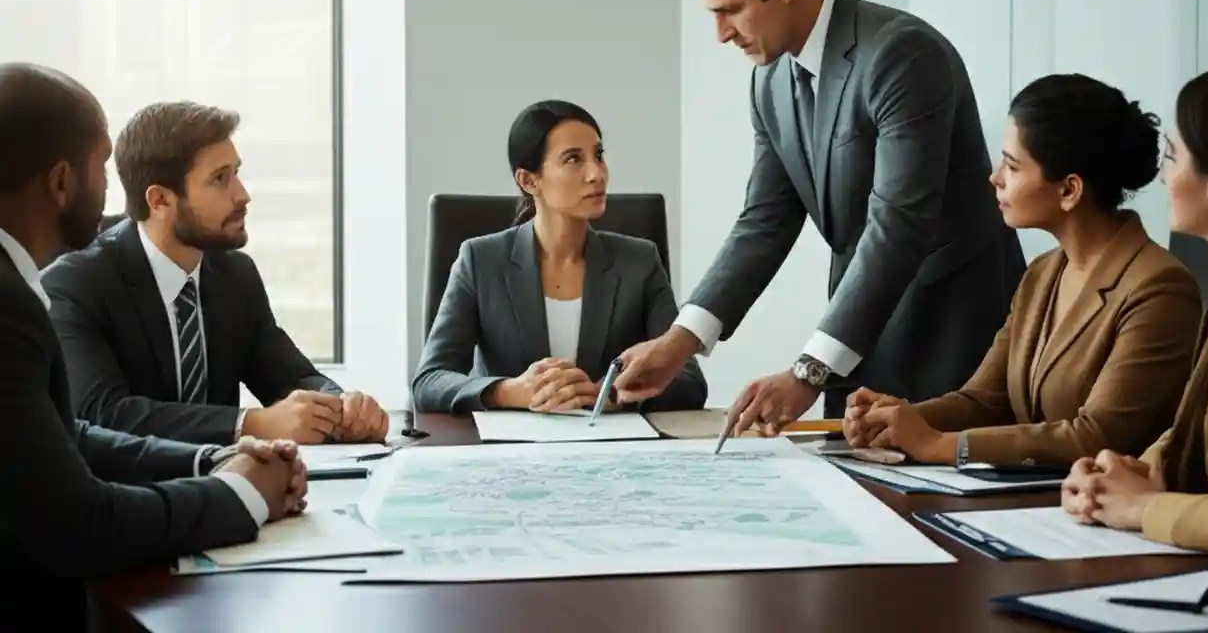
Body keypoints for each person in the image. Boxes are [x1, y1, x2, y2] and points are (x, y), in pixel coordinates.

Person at [613, 0, 1024, 431]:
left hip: (949, 329)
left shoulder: (901, 53)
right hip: (854, 329)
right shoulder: (769, 82)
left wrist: (807, 370)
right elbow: (764, 222)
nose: (720, 35)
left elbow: (899, 224)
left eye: (730, 11)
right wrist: (680, 341)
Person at [0, 62, 306, 629]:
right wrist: (240, 495)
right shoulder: (14, 302)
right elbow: (78, 524)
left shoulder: (16, 287)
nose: (111, 190)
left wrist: (212, 459)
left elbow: (68, 436)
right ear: (62, 181)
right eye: (102, 167)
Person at [842, 74, 1202, 467]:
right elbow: (983, 401)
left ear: (1069, 190)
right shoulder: (1043, 274)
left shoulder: (1160, 288)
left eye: (1012, 166)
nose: (995, 177)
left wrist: (941, 446)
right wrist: (896, 419)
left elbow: (1097, 436)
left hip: (1102, 511)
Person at [41, 101, 388, 446]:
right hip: (127, 492)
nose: (242, 195)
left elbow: (288, 376)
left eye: (236, 173)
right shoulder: (78, 282)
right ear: (160, 200)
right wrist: (250, 424)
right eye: (220, 179)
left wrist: (341, 407)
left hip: (227, 485)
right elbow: (105, 412)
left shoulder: (234, 273)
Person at [1061, 63, 1208, 563]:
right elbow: (1194, 437)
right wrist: (1117, 476)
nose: (1162, 175)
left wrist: (1147, 508)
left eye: (1173, 158)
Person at [413, 100, 706, 414]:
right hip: (508, 453)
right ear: (529, 180)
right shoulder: (480, 260)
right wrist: (511, 392)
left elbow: (689, 381)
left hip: (614, 450)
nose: (597, 173)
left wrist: (607, 396)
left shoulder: (640, 261)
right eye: (573, 159)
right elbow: (429, 381)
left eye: (598, 155)